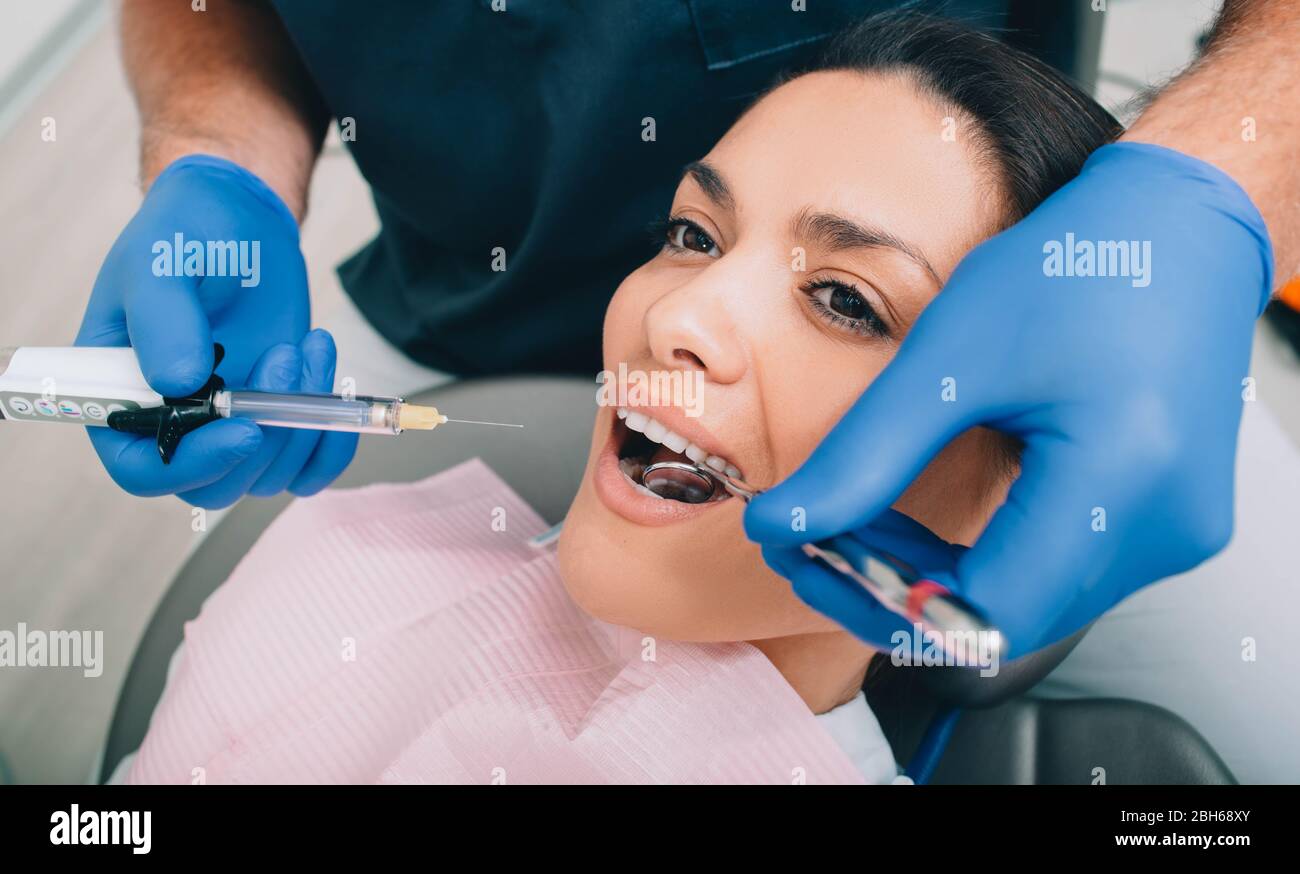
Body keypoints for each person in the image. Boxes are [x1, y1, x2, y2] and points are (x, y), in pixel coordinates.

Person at [77, 1, 1291, 666]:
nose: (674, 310)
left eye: (846, 300)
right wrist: (219, 158)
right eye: (693, 235)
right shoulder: (328, 591)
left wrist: (1209, 185)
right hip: (460, 299)